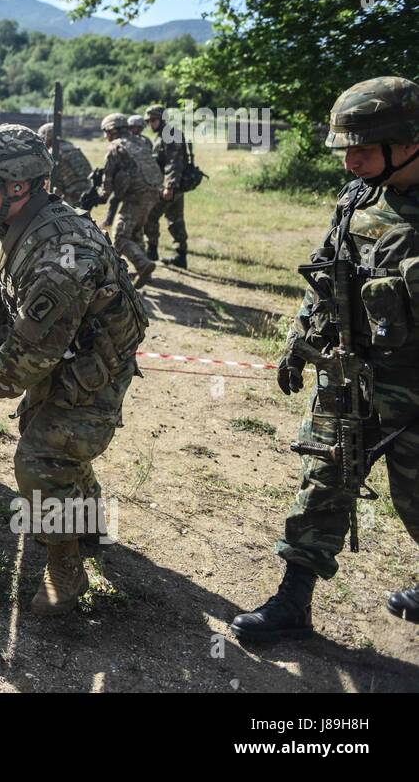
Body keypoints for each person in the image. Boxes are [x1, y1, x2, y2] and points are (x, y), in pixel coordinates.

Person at [231, 77, 419, 641]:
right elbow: (324, 272)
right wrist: (297, 340)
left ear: (408, 140)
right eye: (347, 150)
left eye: (363, 149)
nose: (351, 162)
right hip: (350, 377)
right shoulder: (360, 198)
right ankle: (292, 603)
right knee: (323, 481)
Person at [0, 124, 148, 615]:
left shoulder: (62, 253)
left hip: (89, 370)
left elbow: (23, 366)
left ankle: (66, 567)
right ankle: (91, 522)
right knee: (56, 444)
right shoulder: (21, 224)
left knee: (41, 458)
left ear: (18, 185)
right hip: (69, 358)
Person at [98, 112, 162, 287]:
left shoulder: (116, 147)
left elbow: (108, 179)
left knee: (119, 237)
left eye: (106, 131)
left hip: (136, 197)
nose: (105, 136)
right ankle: (145, 275)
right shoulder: (140, 141)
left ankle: (143, 265)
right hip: (154, 193)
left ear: (113, 130)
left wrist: (101, 196)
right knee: (135, 232)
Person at [143, 104, 189, 268]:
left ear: (162, 119)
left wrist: (169, 186)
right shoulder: (165, 134)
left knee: (150, 217)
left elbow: (173, 163)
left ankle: (151, 252)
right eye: (148, 121)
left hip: (168, 187)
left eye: (153, 120)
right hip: (175, 187)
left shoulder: (169, 135)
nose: (150, 124)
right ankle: (181, 256)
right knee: (175, 220)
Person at [38, 121, 92, 206]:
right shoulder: (71, 146)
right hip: (87, 190)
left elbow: (47, 181)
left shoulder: (53, 152)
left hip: (72, 195)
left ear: (47, 138)